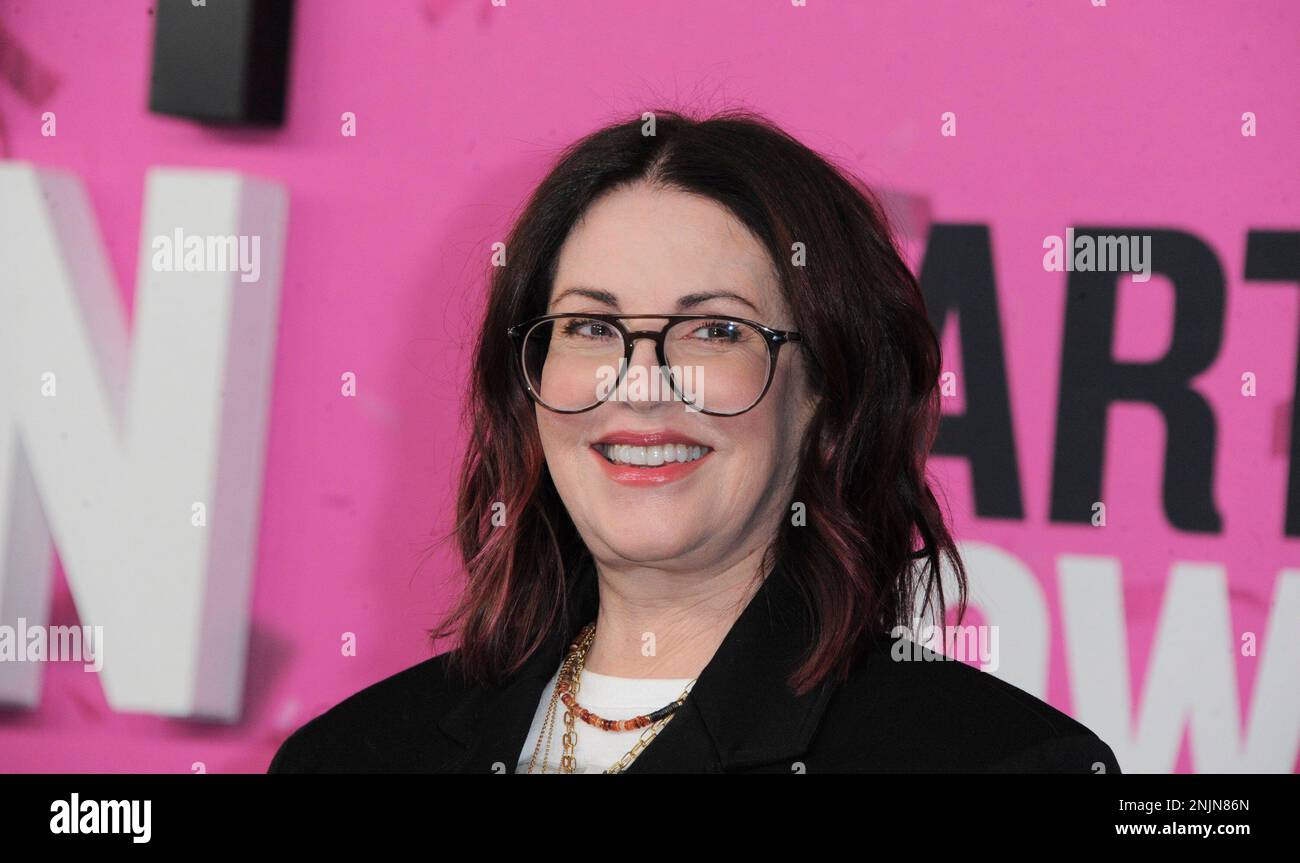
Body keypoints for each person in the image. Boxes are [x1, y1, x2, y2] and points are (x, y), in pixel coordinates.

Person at [268, 109, 1121, 774]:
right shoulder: (350, 756)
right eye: (593, 327)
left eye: (714, 330)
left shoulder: (995, 760)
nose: (641, 383)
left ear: (827, 393)